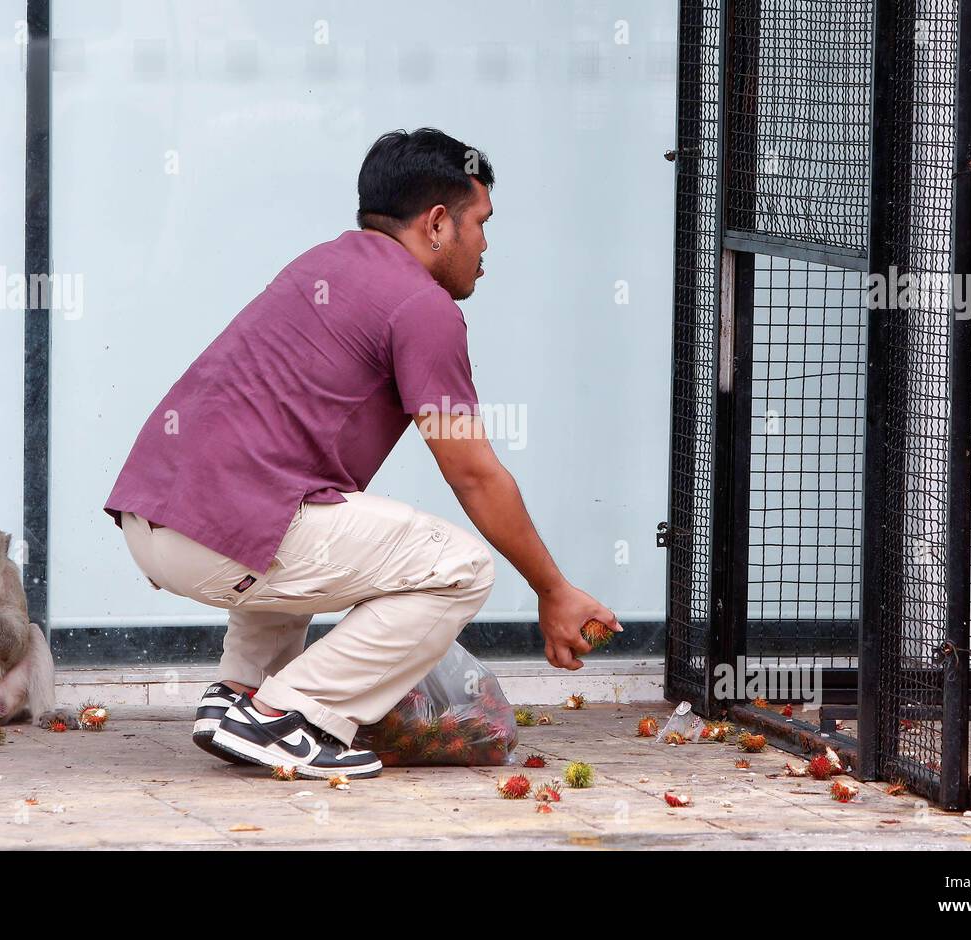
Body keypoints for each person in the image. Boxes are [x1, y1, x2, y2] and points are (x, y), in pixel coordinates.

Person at [104, 127, 620, 779]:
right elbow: (475, 475)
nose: (487, 244)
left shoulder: (322, 264)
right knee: (460, 567)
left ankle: (240, 692)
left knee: (318, 516)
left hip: (154, 516)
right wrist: (553, 590)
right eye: (481, 222)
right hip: (220, 533)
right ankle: (289, 714)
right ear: (438, 224)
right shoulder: (422, 306)